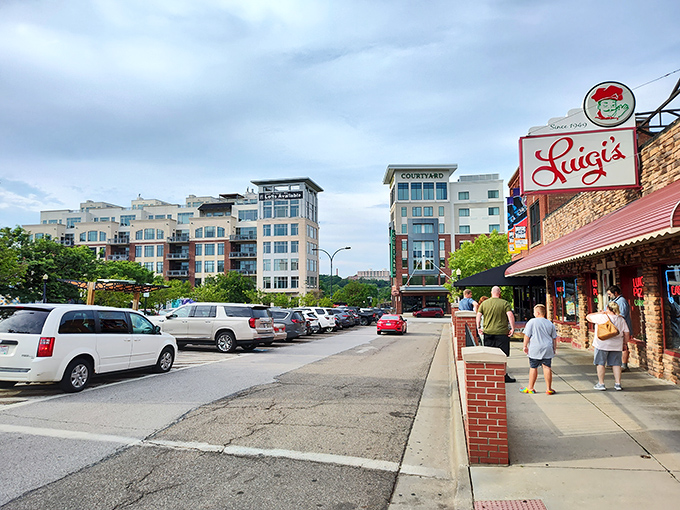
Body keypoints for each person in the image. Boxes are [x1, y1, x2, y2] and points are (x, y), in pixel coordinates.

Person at [586, 301, 630, 391]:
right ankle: (618, 384)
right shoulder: (621, 319)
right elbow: (626, 333)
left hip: (601, 344)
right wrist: (624, 344)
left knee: (600, 363)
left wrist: (600, 312)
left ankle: (601, 383)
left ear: (607, 308)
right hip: (616, 345)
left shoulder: (601, 317)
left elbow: (588, 317)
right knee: (616, 364)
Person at [476, 286, 516, 383]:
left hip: (488, 332)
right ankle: (503, 375)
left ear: (491, 292)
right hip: (502, 333)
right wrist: (512, 327)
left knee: (489, 354)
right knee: (503, 355)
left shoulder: (484, 303)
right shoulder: (504, 303)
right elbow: (510, 315)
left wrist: (478, 327)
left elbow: (478, 315)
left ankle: (490, 374)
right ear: (499, 292)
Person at [519, 304, 557, 395]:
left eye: (534, 312)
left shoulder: (532, 322)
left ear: (537, 312)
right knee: (547, 367)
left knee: (533, 367)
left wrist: (525, 346)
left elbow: (527, 335)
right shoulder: (550, 323)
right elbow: (554, 338)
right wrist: (554, 349)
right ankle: (549, 388)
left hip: (535, 348)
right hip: (547, 347)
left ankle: (530, 387)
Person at [607, 285, 632, 371]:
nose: (609, 296)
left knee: (623, 346)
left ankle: (624, 365)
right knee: (614, 346)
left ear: (616, 293)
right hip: (614, 328)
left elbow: (622, 315)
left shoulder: (621, 301)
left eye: (610, 294)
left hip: (621, 328)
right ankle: (614, 363)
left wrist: (611, 315)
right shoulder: (613, 301)